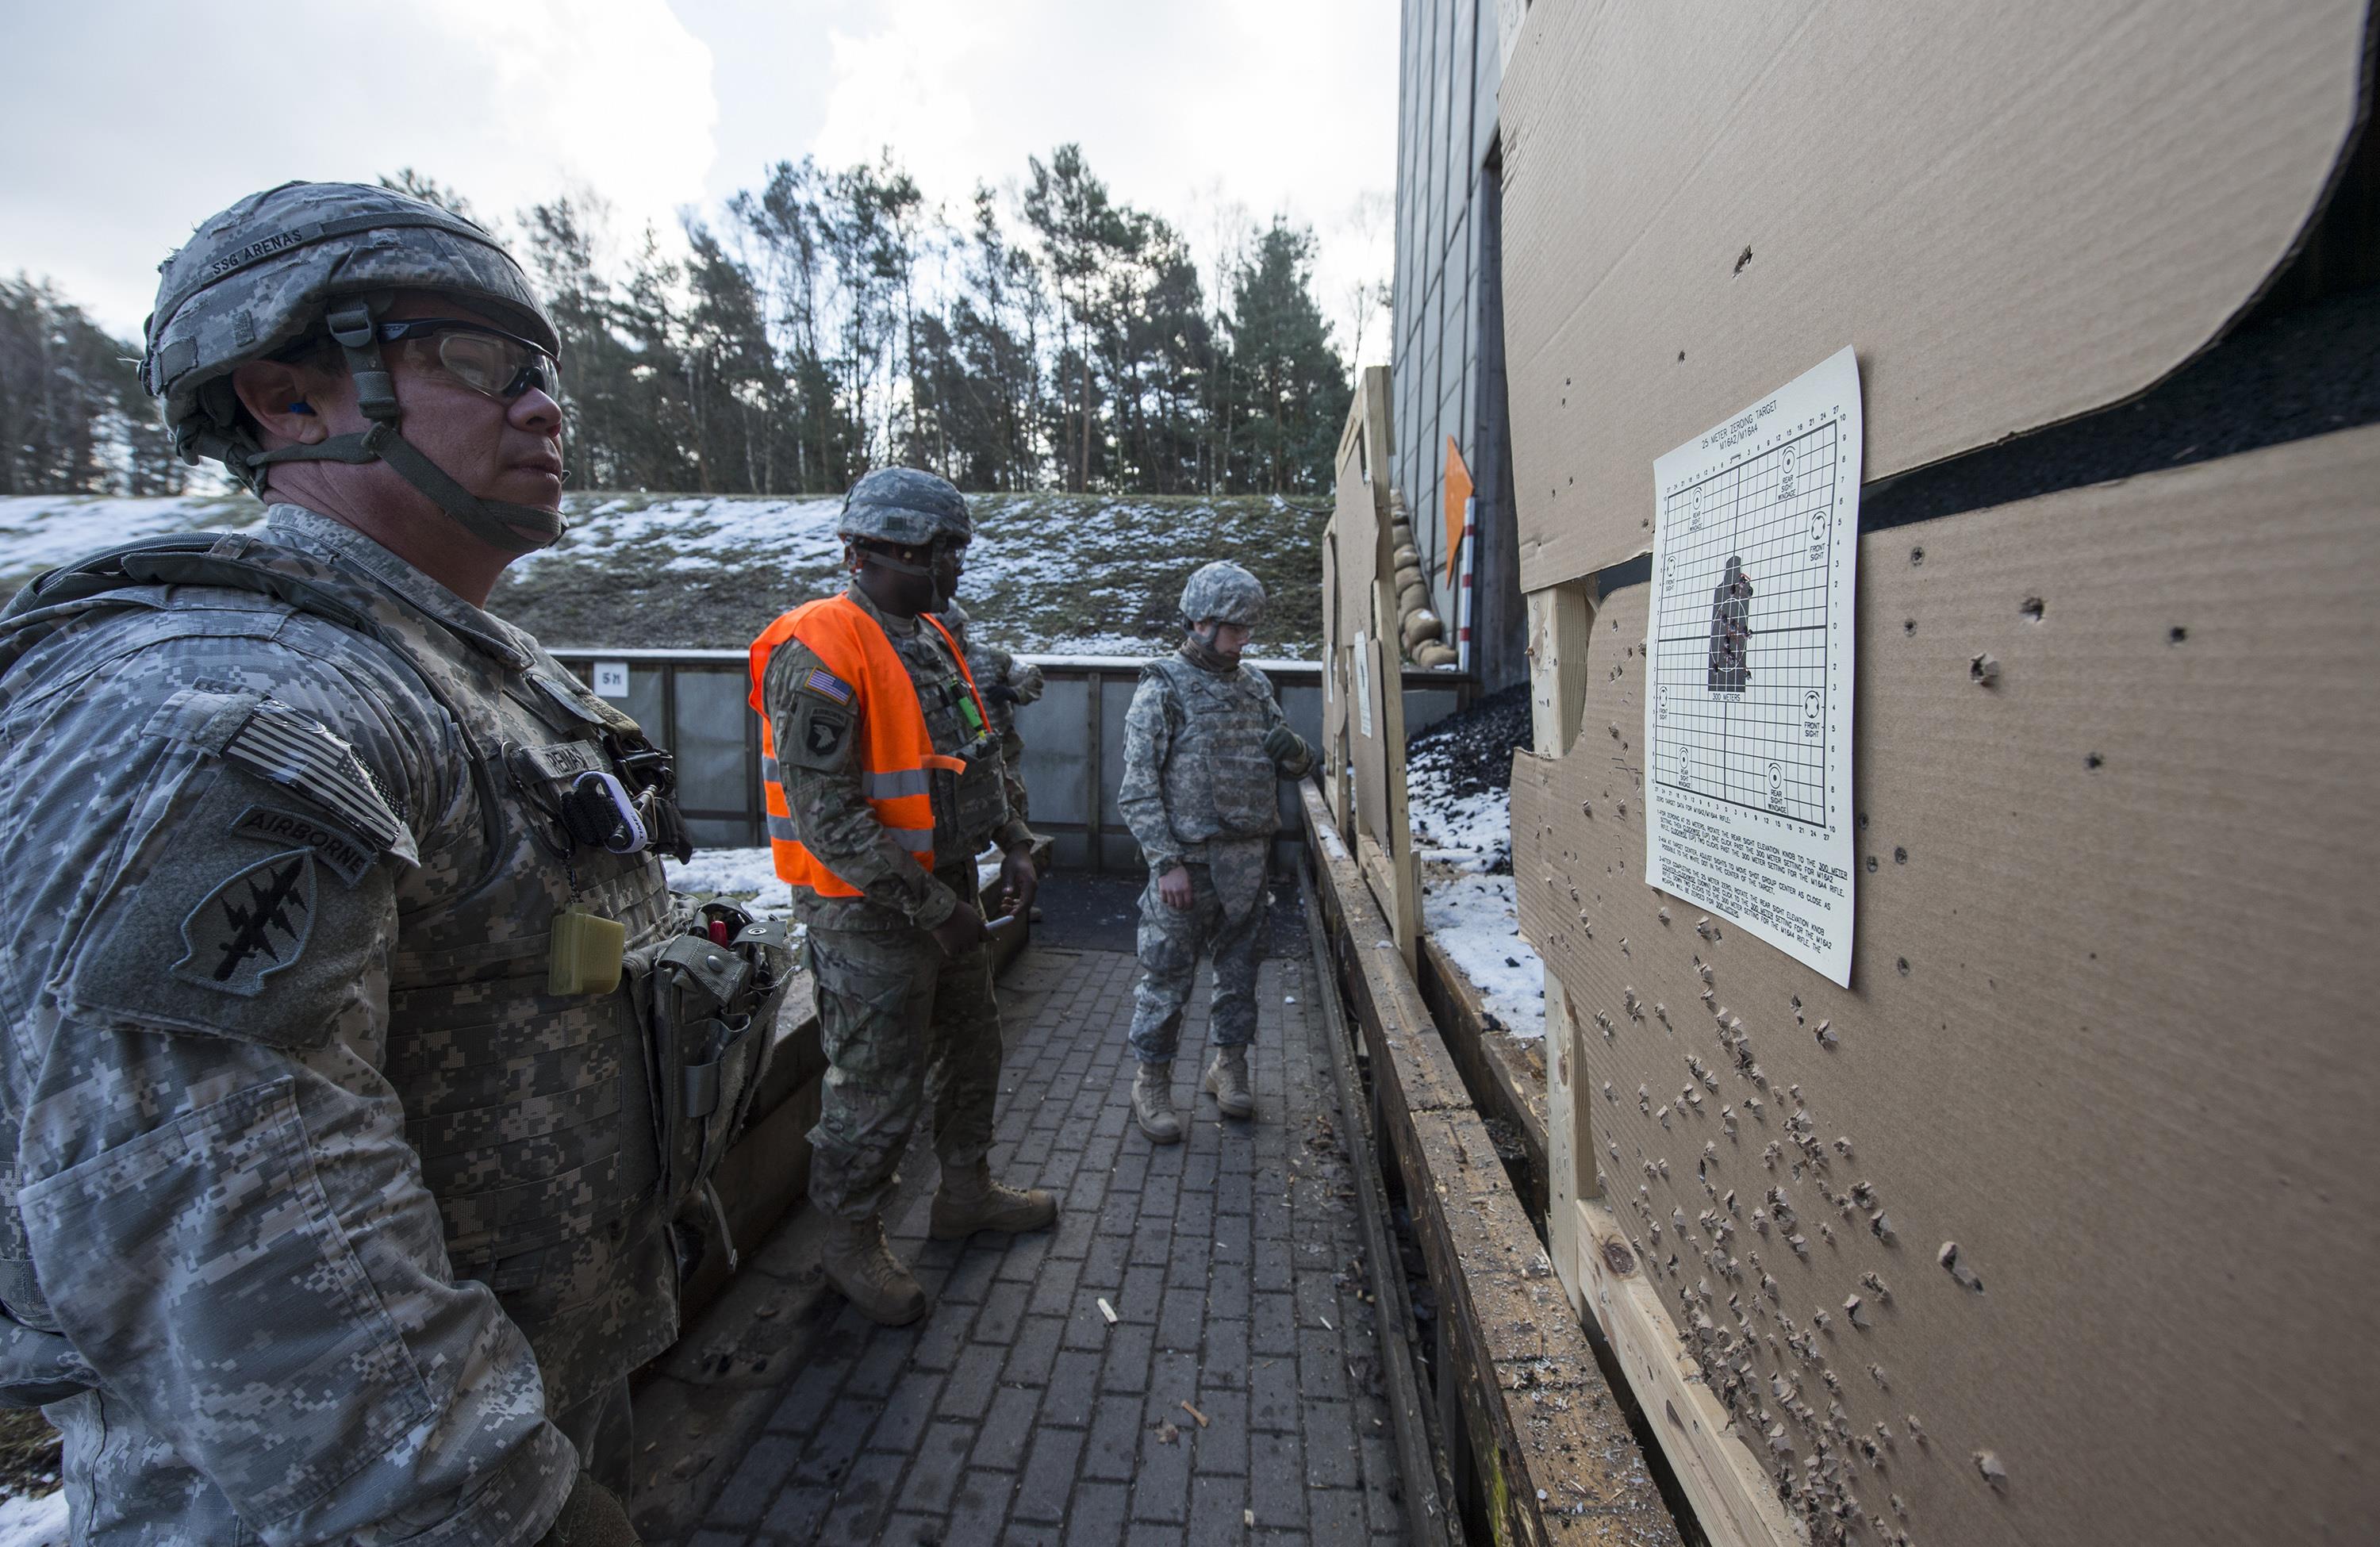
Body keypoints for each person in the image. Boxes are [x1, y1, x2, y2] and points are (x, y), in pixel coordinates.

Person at [0, 182, 792, 1544]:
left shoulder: (449, 676)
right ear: (286, 398)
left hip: (538, 1388)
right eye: (478, 362)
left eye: (544, 372)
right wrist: (489, 1509)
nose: (544, 407)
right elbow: (224, 1213)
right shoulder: (238, 704)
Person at [749, 469, 1051, 1326]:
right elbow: (828, 820)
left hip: (943, 889)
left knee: (973, 1044)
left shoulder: (930, 634)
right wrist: (935, 909)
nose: (955, 569)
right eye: (941, 554)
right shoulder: (821, 650)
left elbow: (980, 750)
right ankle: (847, 1243)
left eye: (954, 551)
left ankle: (965, 1192)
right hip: (866, 913)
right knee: (875, 1083)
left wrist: (1016, 844)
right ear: (879, 553)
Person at [1115, 562, 1315, 1142]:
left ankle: (1228, 1068)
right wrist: (1166, 861)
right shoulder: (1163, 689)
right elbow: (1137, 787)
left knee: (1239, 978)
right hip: (1188, 868)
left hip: (1249, 864)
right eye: (1235, 629)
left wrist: (1295, 751)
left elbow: (1294, 762)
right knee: (1166, 982)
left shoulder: (1254, 686)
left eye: (1249, 629)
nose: (1244, 640)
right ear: (1201, 622)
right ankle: (1150, 1082)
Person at [937, 599, 1046, 831]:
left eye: (955, 630)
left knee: (1012, 808)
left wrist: (1013, 693)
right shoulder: (932, 666)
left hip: (1001, 754)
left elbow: (1032, 677)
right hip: (953, 759)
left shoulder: (991, 658)